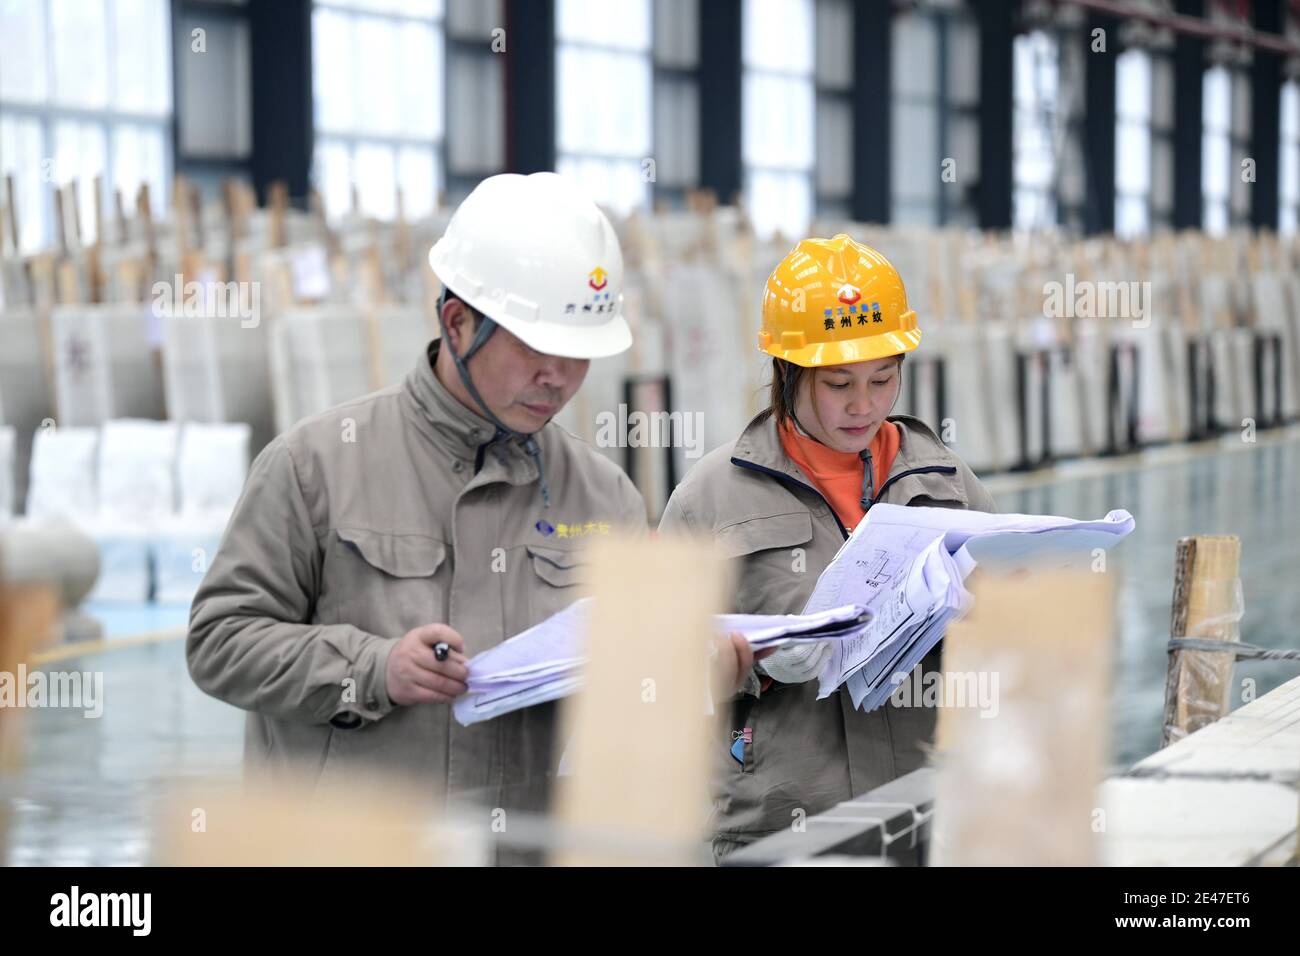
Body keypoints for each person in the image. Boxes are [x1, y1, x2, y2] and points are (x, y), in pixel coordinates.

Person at [187, 173, 656, 860]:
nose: (558, 377)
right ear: (457, 320)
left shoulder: (604, 497)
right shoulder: (316, 465)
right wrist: (372, 668)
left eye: (578, 354)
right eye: (534, 348)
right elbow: (220, 642)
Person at [658, 234, 997, 861]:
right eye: (838, 383)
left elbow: (1012, 656)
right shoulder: (711, 500)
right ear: (786, 374)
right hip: (782, 837)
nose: (863, 405)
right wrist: (747, 668)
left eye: (882, 377)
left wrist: (997, 618)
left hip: (927, 824)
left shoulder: (946, 485)